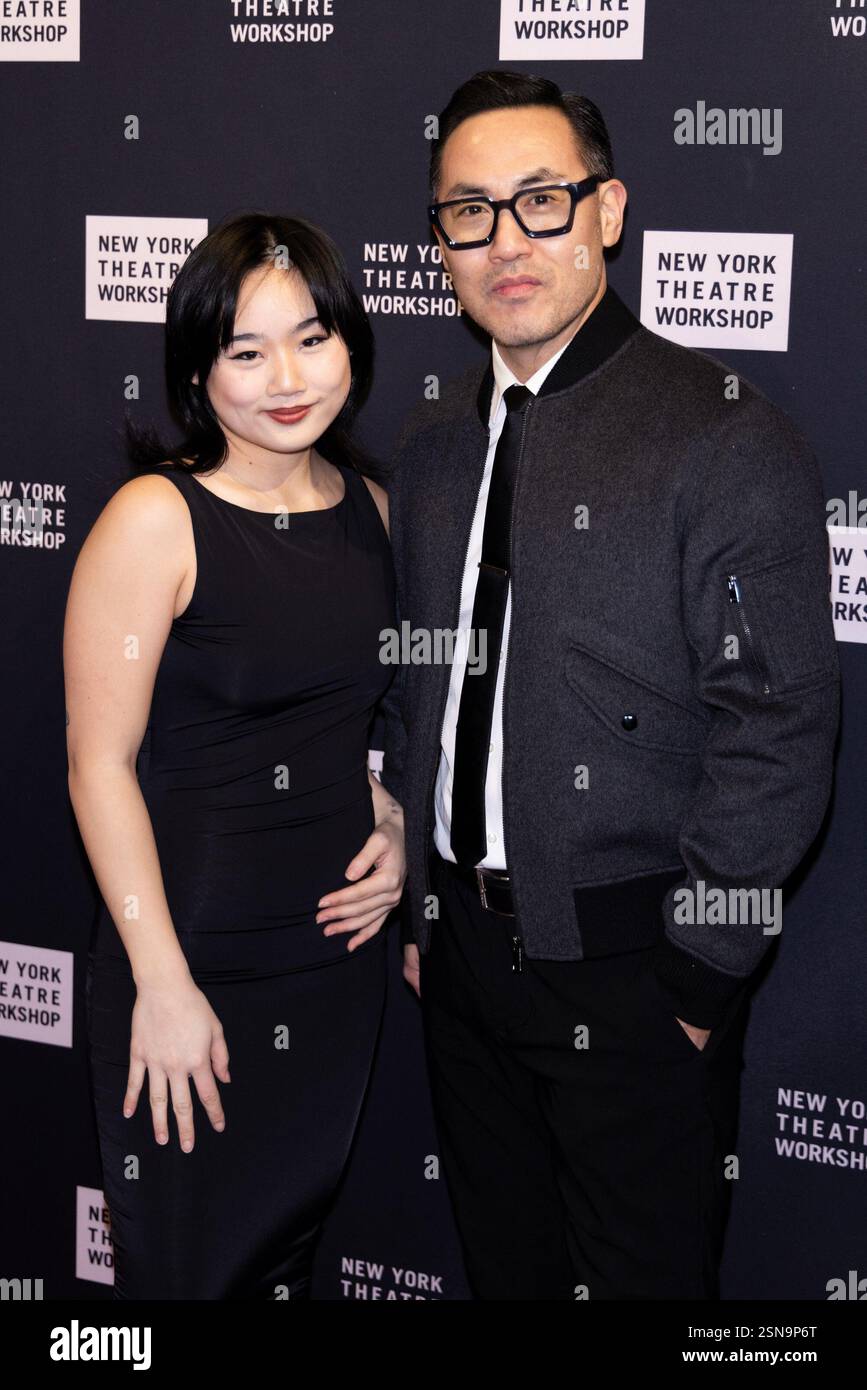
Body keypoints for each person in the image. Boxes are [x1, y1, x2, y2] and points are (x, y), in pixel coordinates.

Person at [380, 71, 840, 1300]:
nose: (506, 240)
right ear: (441, 243)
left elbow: (784, 726)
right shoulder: (431, 450)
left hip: (638, 970)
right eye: (468, 212)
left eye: (542, 200)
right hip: (461, 970)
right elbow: (419, 690)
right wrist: (423, 897)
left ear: (610, 211)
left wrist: (693, 980)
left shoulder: (722, 432)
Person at [64, 211, 406, 1300]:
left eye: (312, 338)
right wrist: (161, 984)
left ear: (351, 340)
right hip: (191, 970)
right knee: (186, 1279)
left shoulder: (377, 514)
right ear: (198, 370)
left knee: (283, 1266)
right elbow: (99, 764)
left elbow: (371, 722)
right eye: (245, 351)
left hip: (334, 973)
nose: (286, 377)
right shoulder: (155, 520)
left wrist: (393, 823)